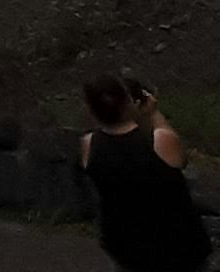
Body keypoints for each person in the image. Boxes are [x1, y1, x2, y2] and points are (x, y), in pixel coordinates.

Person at [83, 74, 213, 272]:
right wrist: (154, 113)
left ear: (92, 111)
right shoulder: (160, 142)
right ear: (129, 103)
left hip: (125, 248)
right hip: (177, 248)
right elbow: (178, 156)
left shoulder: (89, 146)